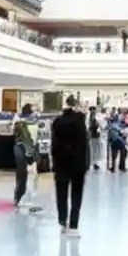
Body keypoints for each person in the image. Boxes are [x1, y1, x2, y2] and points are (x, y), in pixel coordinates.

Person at [52, 97, 90, 237]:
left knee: (61, 194)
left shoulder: (57, 122)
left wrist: (54, 163)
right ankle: (74, 225)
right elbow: (85, 146)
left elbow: (54, 146)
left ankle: (63, 221)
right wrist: (86, 164)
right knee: (77, 195)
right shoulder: (81, 123)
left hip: (61, 164)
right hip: (78, 165)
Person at [13, 104, 40, 211]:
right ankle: (24, 199)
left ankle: (20, 198)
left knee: (25, 175)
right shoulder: (32, 121)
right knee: (30, 175)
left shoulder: (19, 120)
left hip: (25, 148)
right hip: (27, 148)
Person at [88, 106, 102, 171]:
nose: (93, 111)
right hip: (92, 136)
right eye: (92, 110)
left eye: (94, 110)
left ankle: (94, 163)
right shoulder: (90, 118)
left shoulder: (95, 118)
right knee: (92, 150)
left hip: (95, 136)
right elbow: (90, 127)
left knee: (95, 151)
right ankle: (92, 163)